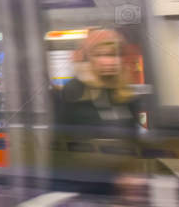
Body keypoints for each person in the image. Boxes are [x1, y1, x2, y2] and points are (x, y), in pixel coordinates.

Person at [51, 28, 146, 192]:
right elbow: (62, 149)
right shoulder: (74, 92)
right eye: (101, 55)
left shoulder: (125, 94)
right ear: (89, 59)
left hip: (121, 187)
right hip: (83, 185)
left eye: (113, 55)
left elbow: (135, 138)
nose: (109, 61)